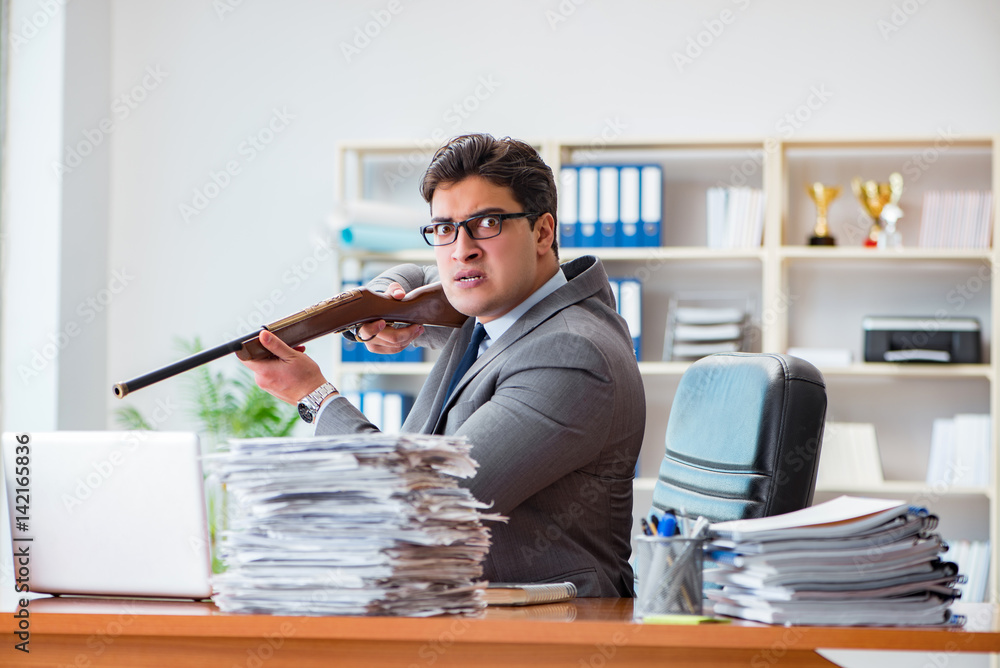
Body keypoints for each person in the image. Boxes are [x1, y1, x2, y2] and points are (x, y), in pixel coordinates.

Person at [243, 134, 645, 597]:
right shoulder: (497, 302)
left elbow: (424, 505)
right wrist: (377, 306)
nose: (461, 250)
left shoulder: (571, 354)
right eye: (444, 229)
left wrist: (313, 396)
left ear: (542, 232)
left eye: (487, 222)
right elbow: (415, 277)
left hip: (536, 635)